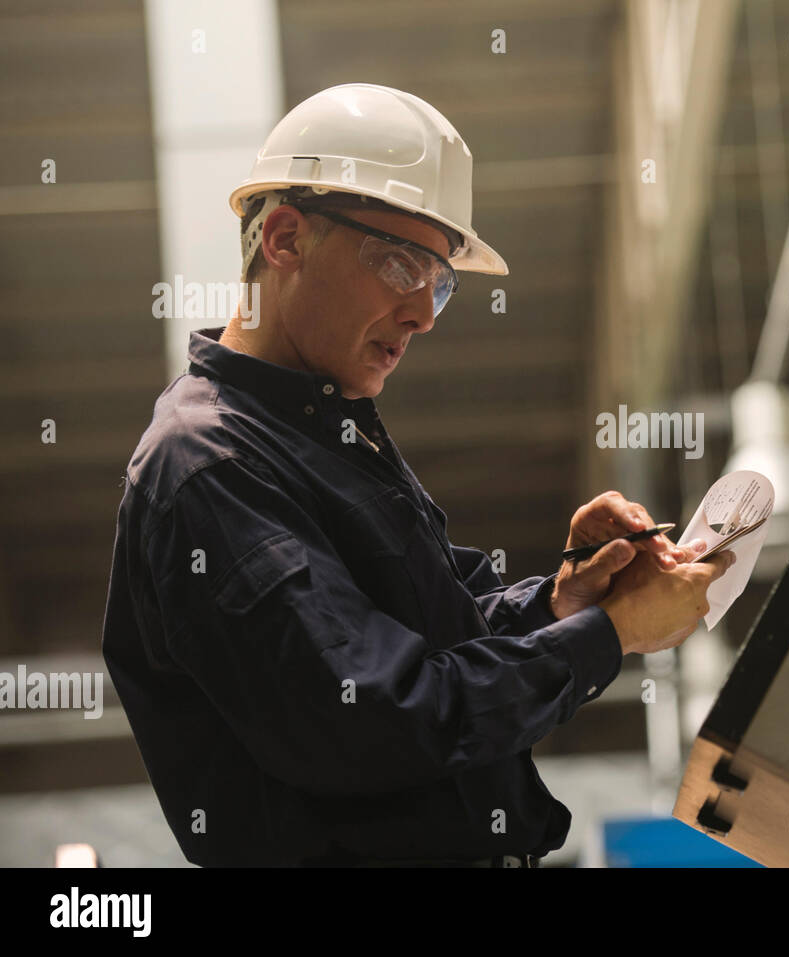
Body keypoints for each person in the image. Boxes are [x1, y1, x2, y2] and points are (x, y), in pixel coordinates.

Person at [101, 84, 733, 867]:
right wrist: (610, 636)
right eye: (402, 264)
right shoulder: (206, 465)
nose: (425, 314)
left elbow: (439, 647)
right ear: (286, 238)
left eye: (440, 281)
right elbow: (377, 715)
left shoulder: (328, 435)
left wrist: (565, 597)